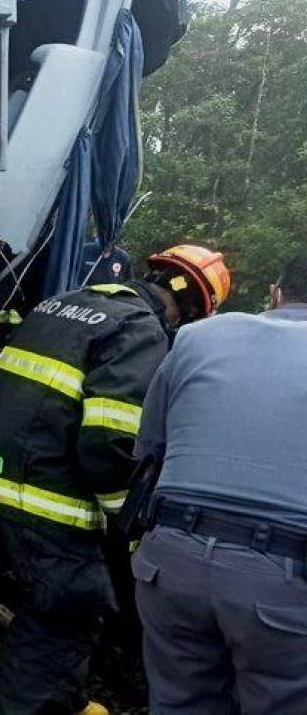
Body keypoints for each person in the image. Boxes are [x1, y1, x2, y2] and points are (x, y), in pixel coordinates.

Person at [0, 244, 231, 715]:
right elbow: (110, 441)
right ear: (191, 311)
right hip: (45, 499)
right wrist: (131, 522)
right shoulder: (141, 331)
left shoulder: (68, 303)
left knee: (48, 605)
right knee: (63, 617)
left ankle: (67, 700)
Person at [131, 250, 307, 715]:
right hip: (282, 581)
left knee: (179, 704)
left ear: (273, 294)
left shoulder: (196, 337)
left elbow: (150, 448)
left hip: (170, 563)